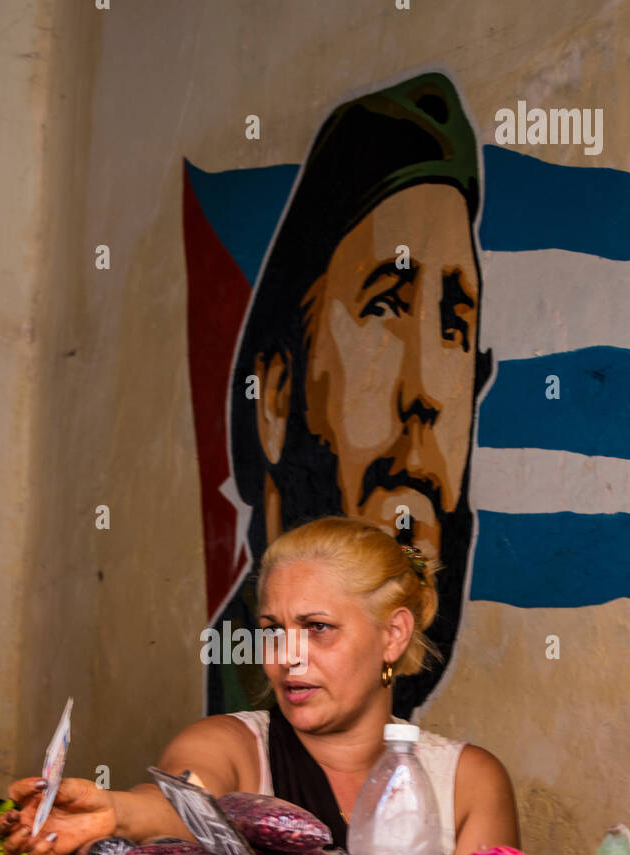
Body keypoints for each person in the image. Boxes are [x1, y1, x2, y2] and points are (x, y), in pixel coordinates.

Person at [0, 518, 517, 855]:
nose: (286, 656)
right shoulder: (232, 748)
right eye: (272, 629)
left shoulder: (467, 783)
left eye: (317, 628)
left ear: (393, 634)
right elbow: (184, 798)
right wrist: (115, 811)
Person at [209, 72, 492, 719]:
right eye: (386, 304)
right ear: (277, 396)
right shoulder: (234, 741)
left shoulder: (464, 777)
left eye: (453, 325)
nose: (426, 393)